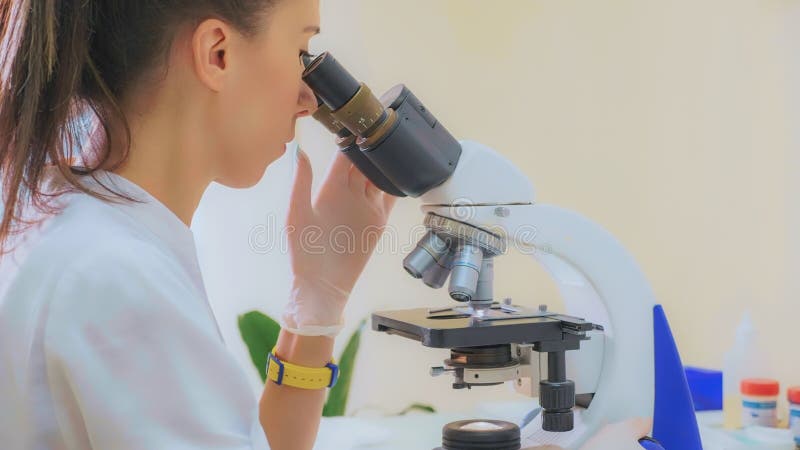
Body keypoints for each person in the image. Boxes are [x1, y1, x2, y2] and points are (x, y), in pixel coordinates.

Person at [0, 1, 650, 449]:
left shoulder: (88, 227)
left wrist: (318, 297)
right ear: (218, 53)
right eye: (302, 47)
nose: (311, 95)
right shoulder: (116, 277)